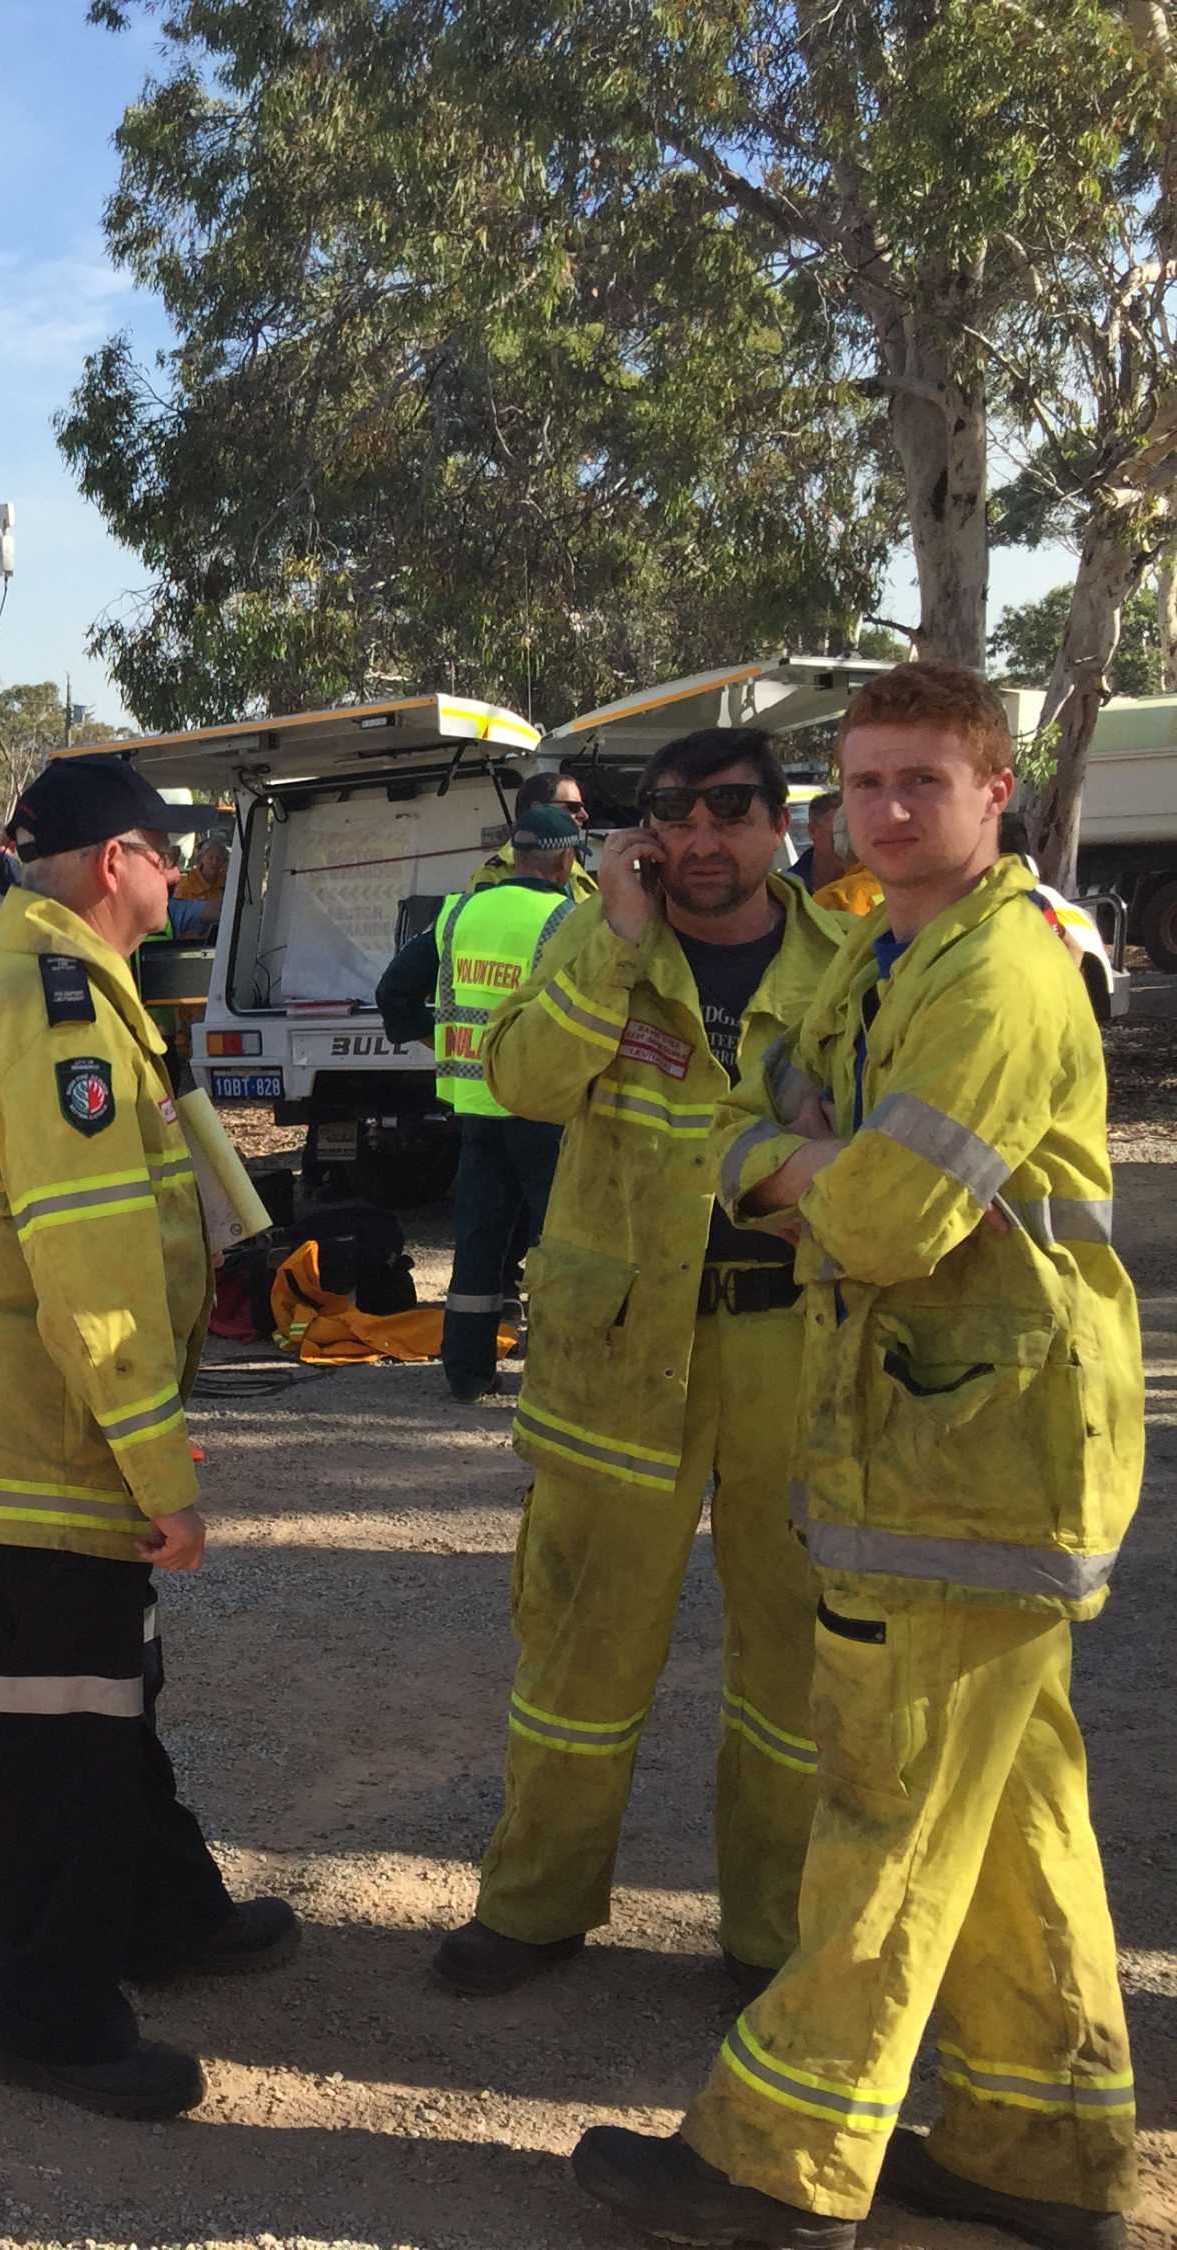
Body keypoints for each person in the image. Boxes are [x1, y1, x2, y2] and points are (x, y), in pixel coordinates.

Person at [572, 661, 1144, 2250]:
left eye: (923, 785)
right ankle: (1047, 2148)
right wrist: (796, 1146)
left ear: (995, 794)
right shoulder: (896, 947)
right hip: (939, 1444)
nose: (886, 811)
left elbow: (883, 1213)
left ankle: (775, 2162)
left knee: (888, 1814)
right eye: (867, 783)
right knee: (1018, 1823)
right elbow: (778, 1094)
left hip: (974, 1455)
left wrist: (772, 1162)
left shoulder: (1002, 977)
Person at [0, 753, 298, 2124]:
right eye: (165, 853)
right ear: (112, 860)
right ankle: (51, 2011)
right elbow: (95, 1268)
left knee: (104, 1686)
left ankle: (156, 1911)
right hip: (50, 1423)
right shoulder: (58, 1008)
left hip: (45, 1409)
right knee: (53, 1725)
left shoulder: (56, 983)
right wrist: (163, 1478)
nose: (179, 877)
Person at [433, 728, 853, 2000]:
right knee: (579, 1646)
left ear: (780, 824)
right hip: (620, 1356)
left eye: (733, 810)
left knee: (796, 1661)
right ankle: (536, 1906)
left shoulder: (847, 965)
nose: (701, 837)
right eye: (676, 812)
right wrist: (611, 941)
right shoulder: (597, 936)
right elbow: (520, 1079)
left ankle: (771, 1935)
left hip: (791, 1342)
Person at [429, 804, 578, 1400]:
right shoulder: (569, 919)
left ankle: (465, 1372)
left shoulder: (459, 911)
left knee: (478, 1244)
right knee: (560, 1245)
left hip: (474, 1104)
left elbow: (400, 988)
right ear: (566, 858)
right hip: (542, 1108)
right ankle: (555, 1374)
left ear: (515, 854)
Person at [471, 771, 598, 897]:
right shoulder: (490, 876)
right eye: (573, 807)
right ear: (538, 809)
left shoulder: (573, 864)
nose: (584, 815)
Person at [164, 831, 228, 940]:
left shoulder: (227, 884)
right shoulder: (185, 885)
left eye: (218, 859)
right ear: (202, 858)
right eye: (210, 857)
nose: (214, 862)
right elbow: (177, 918)